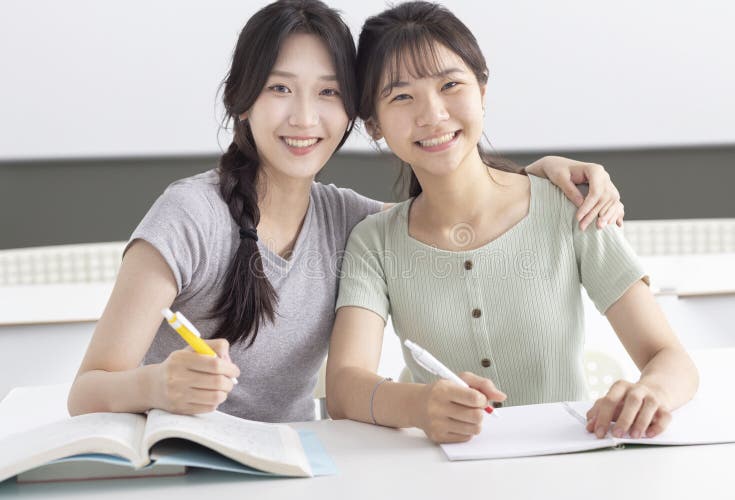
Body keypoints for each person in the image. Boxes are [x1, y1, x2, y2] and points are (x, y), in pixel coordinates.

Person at [68, 0, 627, 423]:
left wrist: (538, 174)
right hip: (175, 464)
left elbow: (456, 205)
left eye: (329, 93)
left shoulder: (349, 221)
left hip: (294, 467)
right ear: (241, 100)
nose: (305, 118)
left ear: (355, 116)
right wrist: (156, 386)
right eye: (279, 89)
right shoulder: (189, 214)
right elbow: (86, 390)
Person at [326, 1, 698, 443]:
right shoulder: (374, 243)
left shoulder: (568, 208)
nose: (432, 114)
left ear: (482, 92)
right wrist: (421, 406)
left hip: (568, 467)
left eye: (451, 85)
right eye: (402, 96)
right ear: (373, 125)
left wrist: (649, 392)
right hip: (439, 477)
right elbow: (344, 388)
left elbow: (671, 358)